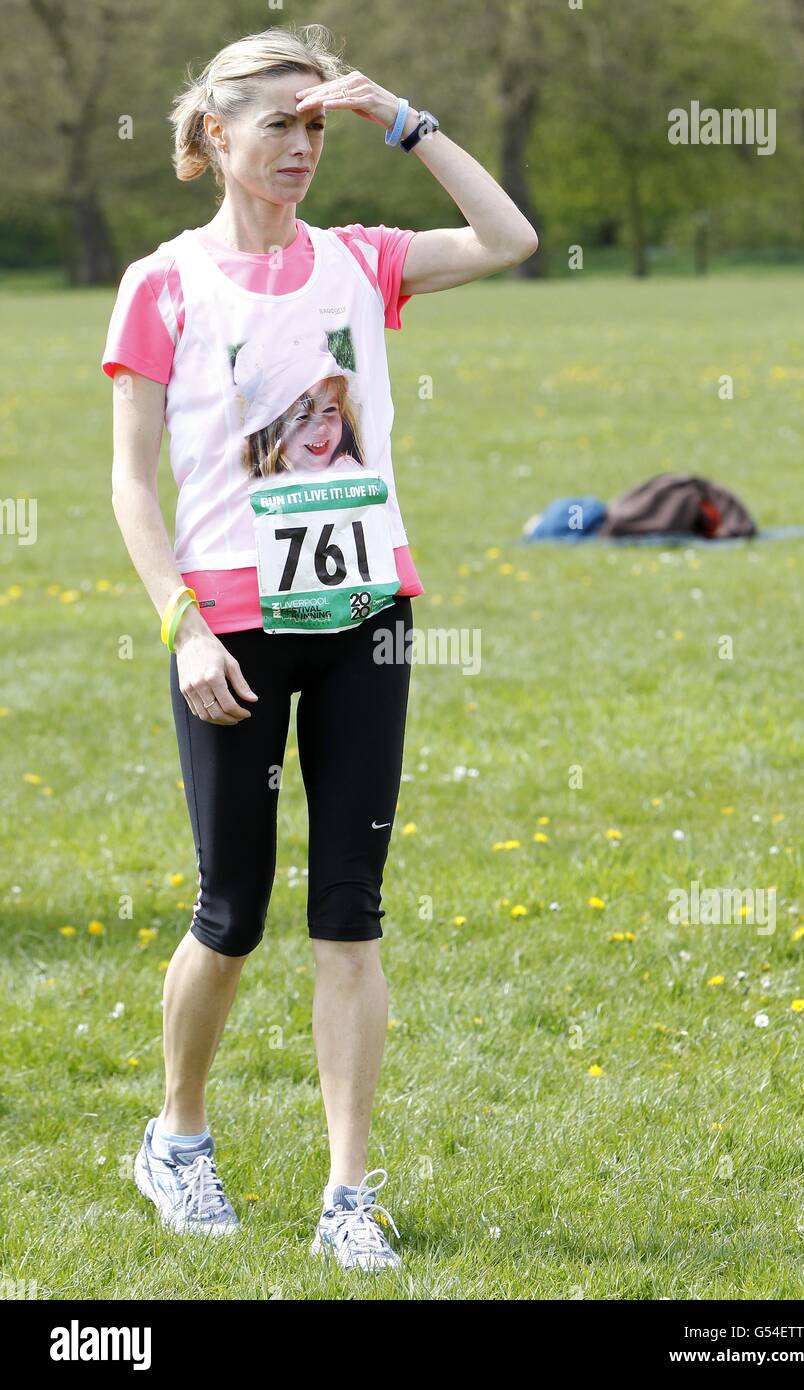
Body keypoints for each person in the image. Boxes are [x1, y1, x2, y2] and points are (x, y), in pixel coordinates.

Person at [104, 22, 537, 1272]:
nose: (302, 147)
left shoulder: (362, 261)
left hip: (363, 623)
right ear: (213, 137)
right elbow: (133, 488)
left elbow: (507, 240)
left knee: (349, 915)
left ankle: (349, 1192)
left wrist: (404, 120)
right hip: (227, 633)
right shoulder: (163, 283)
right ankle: (176, 1140)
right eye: (279, 126)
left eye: (316, 125)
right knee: (231, 916)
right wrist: (179, 624)